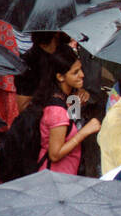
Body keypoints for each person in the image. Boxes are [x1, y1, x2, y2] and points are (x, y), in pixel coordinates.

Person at [36, 45, 99, 176]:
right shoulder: (56, 110)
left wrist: (77, 103)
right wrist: (85, 132)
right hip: (55, 177)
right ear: (60, 77)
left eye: (81, 69)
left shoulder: (68, 96)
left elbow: (72, 124)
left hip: (68, 173)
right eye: (75, 72)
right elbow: (54, 154)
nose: (82, 75)